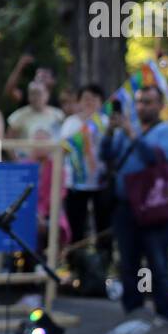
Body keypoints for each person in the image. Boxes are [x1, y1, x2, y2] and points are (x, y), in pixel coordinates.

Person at [100, 85, 168, 320]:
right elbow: (107, 155)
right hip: (126, 208)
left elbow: (157, 158)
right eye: (139, 102)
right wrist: (109, 131)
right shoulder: (127, 130)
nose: (142, 107)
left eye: (148, 102)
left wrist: (131, 134)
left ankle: (166, 320)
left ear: (160, 106)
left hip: (155, 208)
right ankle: (133, 316)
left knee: (158, 267)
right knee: (128, 266)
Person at [60, 84, 111, 257]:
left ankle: (102, 265)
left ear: (101, 102)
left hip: (101, 183)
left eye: (94, 98)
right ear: (79, 102)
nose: (89, 102)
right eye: (85, 98)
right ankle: (76, 265)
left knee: (103, 227)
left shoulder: (106, 122)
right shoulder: (71, 123)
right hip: (75, 183)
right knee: (76, 226)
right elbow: (63, 148)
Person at [6, 79, 64, 148]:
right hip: (26, 157)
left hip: (53, 157)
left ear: (47, 94)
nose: (35, 97)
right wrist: (16, 158)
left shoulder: (58, 115)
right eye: (32, 93)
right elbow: (8, 140)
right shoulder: (18, 116)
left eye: (38, 93)